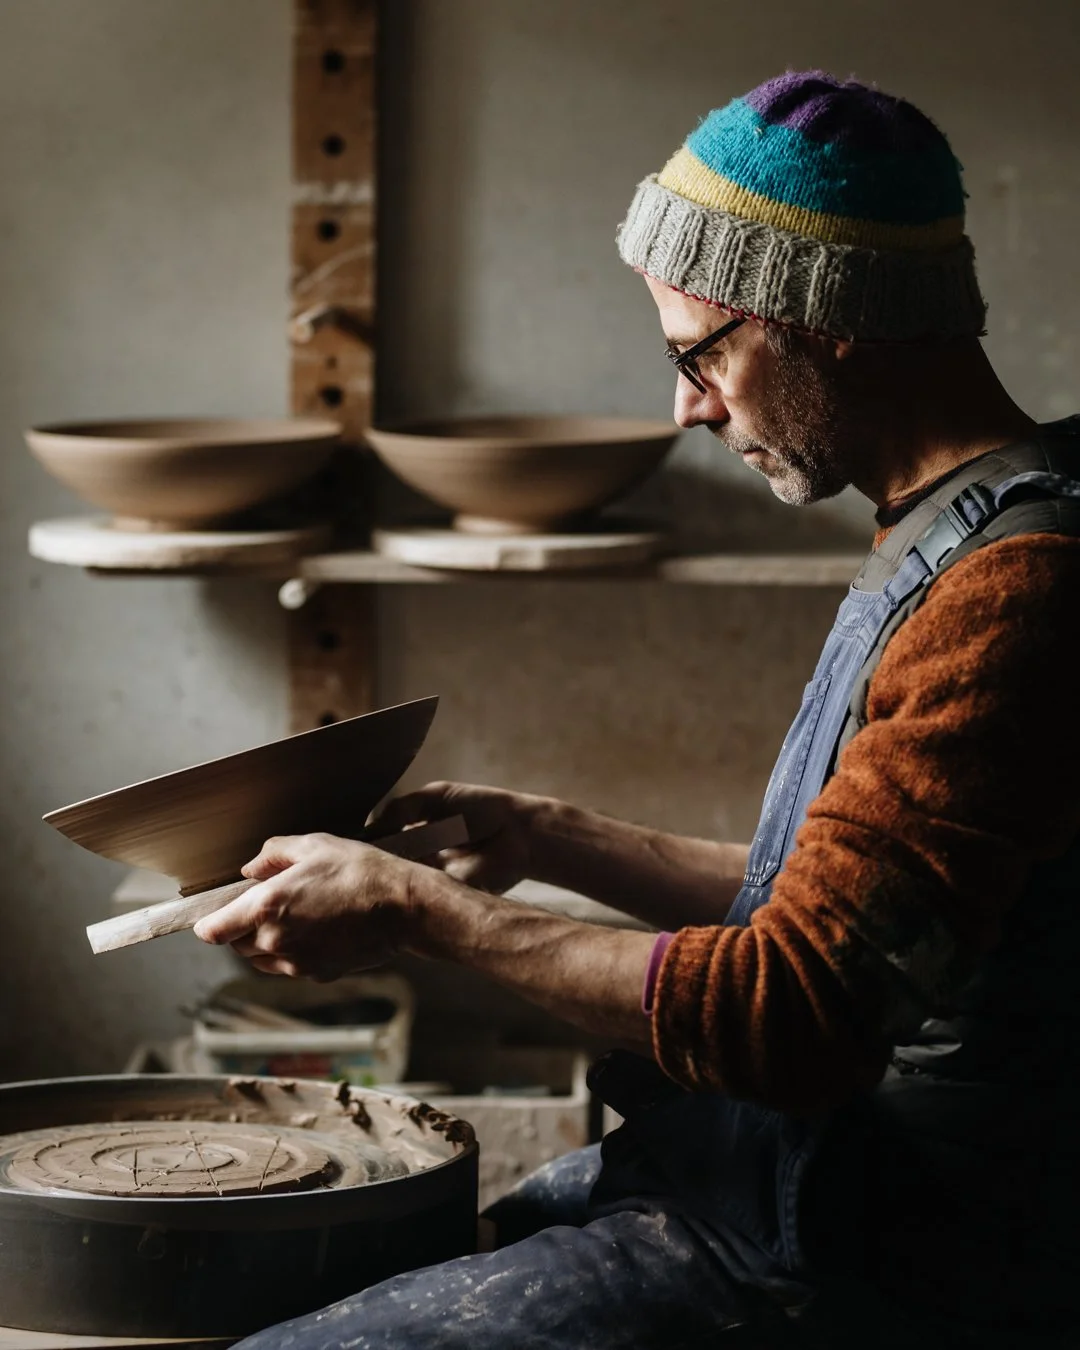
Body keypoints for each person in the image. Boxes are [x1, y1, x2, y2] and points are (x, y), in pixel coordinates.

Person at [203, 71, 1080, 1349]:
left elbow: (795, 1014)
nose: (685, 405)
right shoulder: (951, 528)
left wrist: (421, 911)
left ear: (827, 319)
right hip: (798, 1177)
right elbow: (840, 912)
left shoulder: (1018, 591)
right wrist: (553, 834)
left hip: (880, 1239)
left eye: (700, 352)